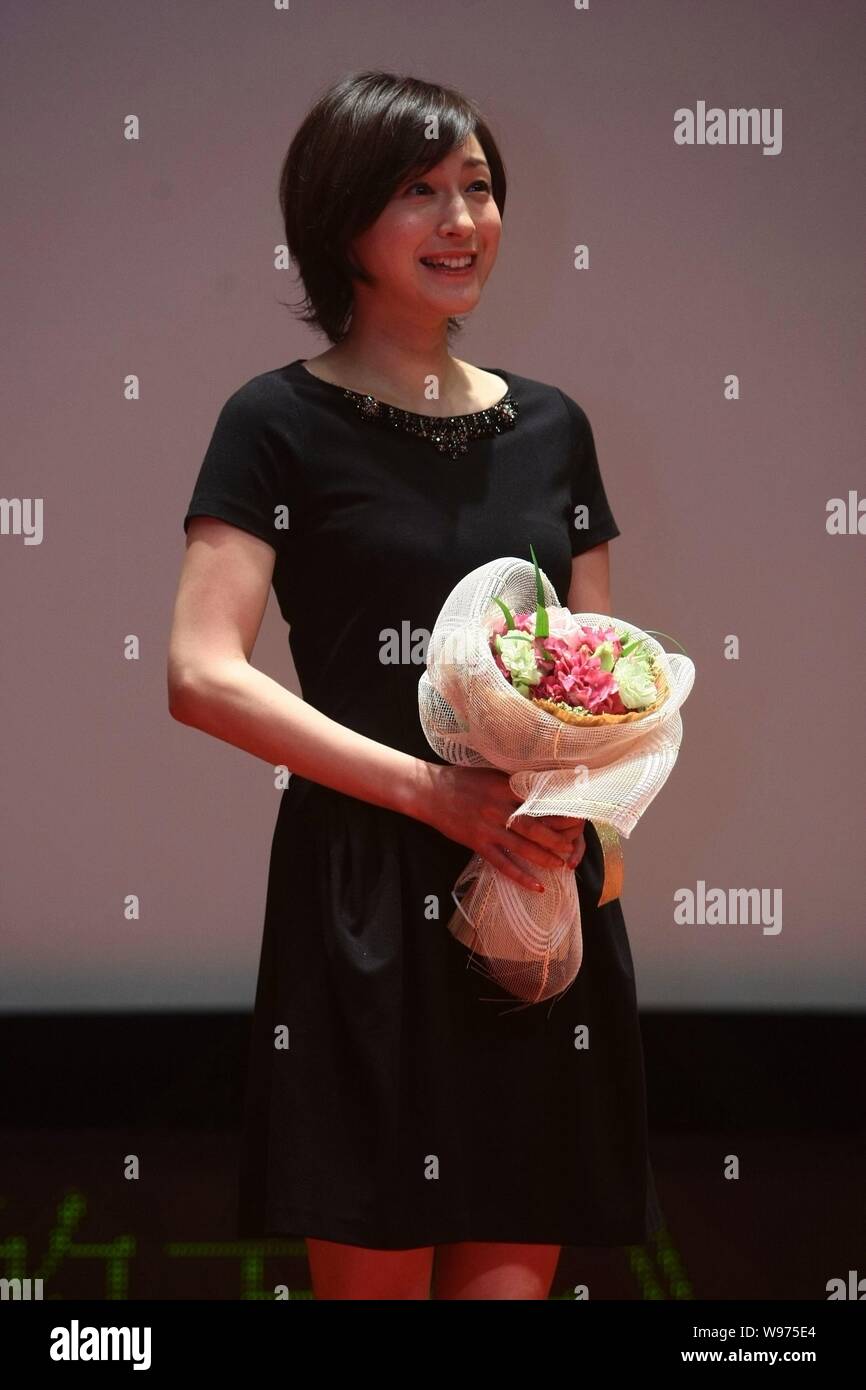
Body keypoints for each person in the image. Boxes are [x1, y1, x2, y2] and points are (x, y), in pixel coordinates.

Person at [167, 70, 663, 1300]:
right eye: (418, 192)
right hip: (364, 905)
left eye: (479, 189)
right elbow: (198, 671)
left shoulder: (554, 428)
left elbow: (611, 691)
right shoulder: (274, 422)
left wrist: (584, 845)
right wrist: (429, 793)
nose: (461, 221)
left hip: (529, 897)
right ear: (343, 227)